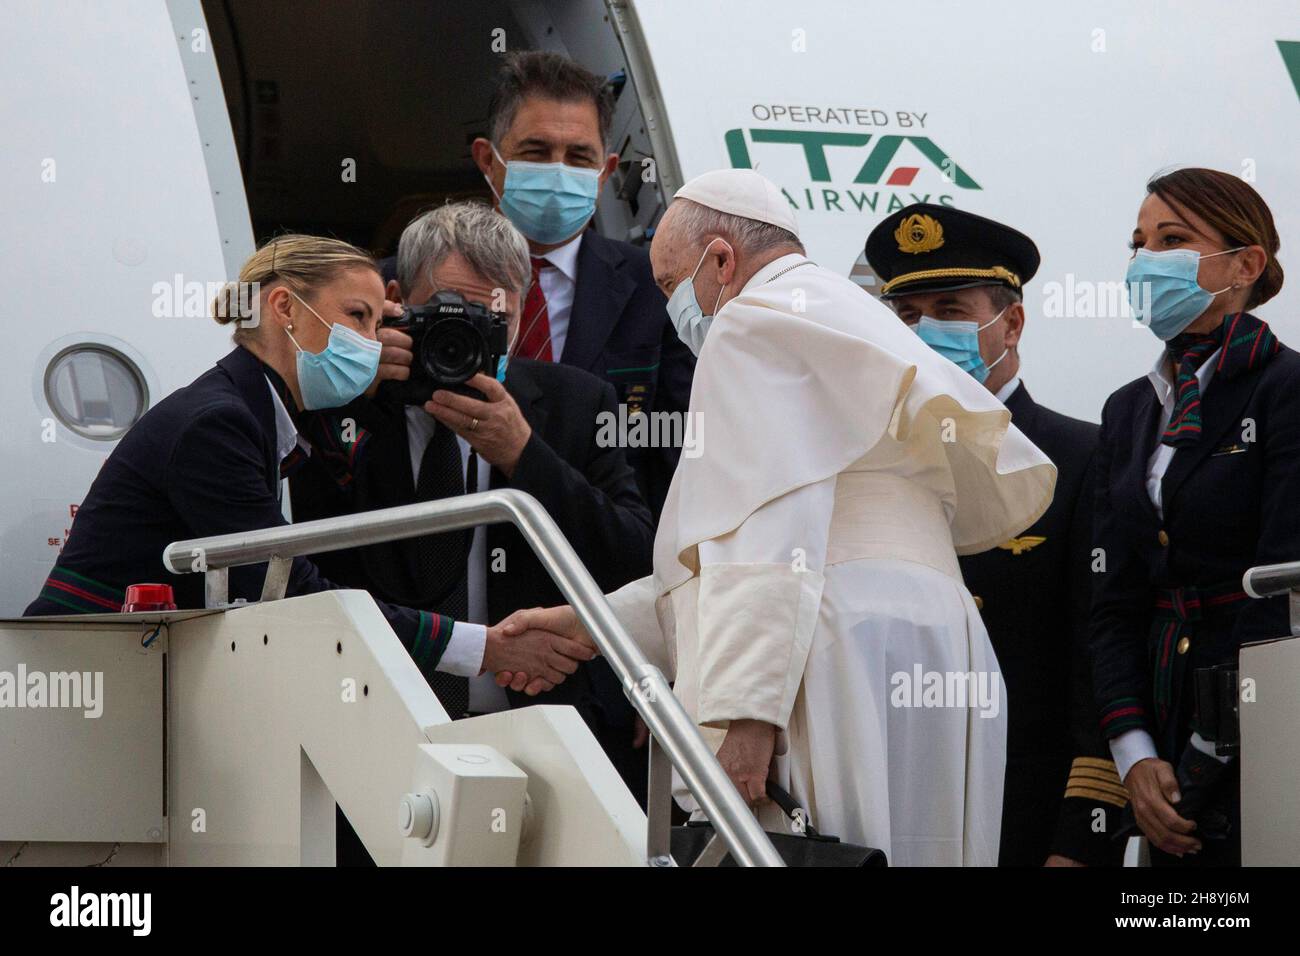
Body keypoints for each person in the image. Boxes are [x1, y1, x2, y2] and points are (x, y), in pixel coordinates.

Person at [496, 169, 1059, 866]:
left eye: (671, 285)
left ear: (722, 261)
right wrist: (592, 626)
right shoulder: (828, 310)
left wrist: (746, 716)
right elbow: (749, 548)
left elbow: (771, 533)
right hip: (930, 638)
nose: (675, 309)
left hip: (833, 649)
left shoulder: (749, 322)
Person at [25, 235, 595, 698]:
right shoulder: (217, 425)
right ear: (283, 310)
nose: (375, 343)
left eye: (383, 323)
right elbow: (289, 590)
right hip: (81, 680)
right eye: (359, 316)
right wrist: (484, 647)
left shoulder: (253, 412)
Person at [289, 202, 654, 800]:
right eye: (444, 311)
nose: (463, 337)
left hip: (541, 725)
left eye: (489, 320)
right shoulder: (341, 401)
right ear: (397, 298)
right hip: (369, 720)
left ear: (522, 310)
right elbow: (311, 567)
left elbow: (631, 559)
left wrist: (525, 457)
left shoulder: (575, 403)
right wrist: (367, 391)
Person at [866, 204, 1125, 867]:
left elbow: (1100, 657)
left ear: (1011, 322)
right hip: (887, 800)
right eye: (907, 316)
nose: (925, 332)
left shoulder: (1082, 457)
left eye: (951, 311)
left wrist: (1080, 835)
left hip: (1023, 807)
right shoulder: (866, 464)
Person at [1091, 167, 1294, 867]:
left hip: (1271, 725)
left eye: (1171, 240)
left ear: (1246, 264)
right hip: (1158, 727)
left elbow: (1280, 587)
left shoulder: (1286, 391)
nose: (1145, 262)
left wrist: (1212, 751)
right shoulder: (1128, 409)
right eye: (1138, 244)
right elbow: (1112, 602)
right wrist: (1135, 757)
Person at [468, 50, 694, 520]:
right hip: (446, 568)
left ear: (606, 172)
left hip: (595, 574)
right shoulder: (414, 282)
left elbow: (678, 461)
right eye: (536, 151)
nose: (558, 170)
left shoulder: (660, 291)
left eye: (578, 157)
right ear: (488, 160)